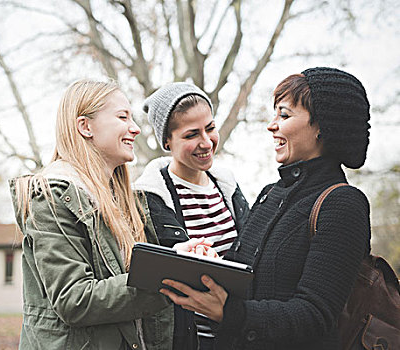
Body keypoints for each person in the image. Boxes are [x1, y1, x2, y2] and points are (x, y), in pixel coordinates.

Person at [158, 67, 372, 350]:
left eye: (284, 115)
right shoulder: (271, 194)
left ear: (323, 127)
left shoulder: (342, 205)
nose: (272, 125)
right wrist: (207, 259)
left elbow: (315, 315)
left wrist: (230, 312)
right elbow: (239, 271)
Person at [10, 79, 176, 349]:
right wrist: (168, 279)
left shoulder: (124, 200)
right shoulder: (51, 197)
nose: (134, 128)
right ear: (85, 126)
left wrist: (181, 257)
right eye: (122, 117)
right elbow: (74, 299)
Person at [134, 82, 250, 350]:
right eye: (191, 135)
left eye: (210, 128)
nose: (206, 142)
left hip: (237, 336)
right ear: (167, 142)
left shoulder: (228, 186)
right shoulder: (149, 197)